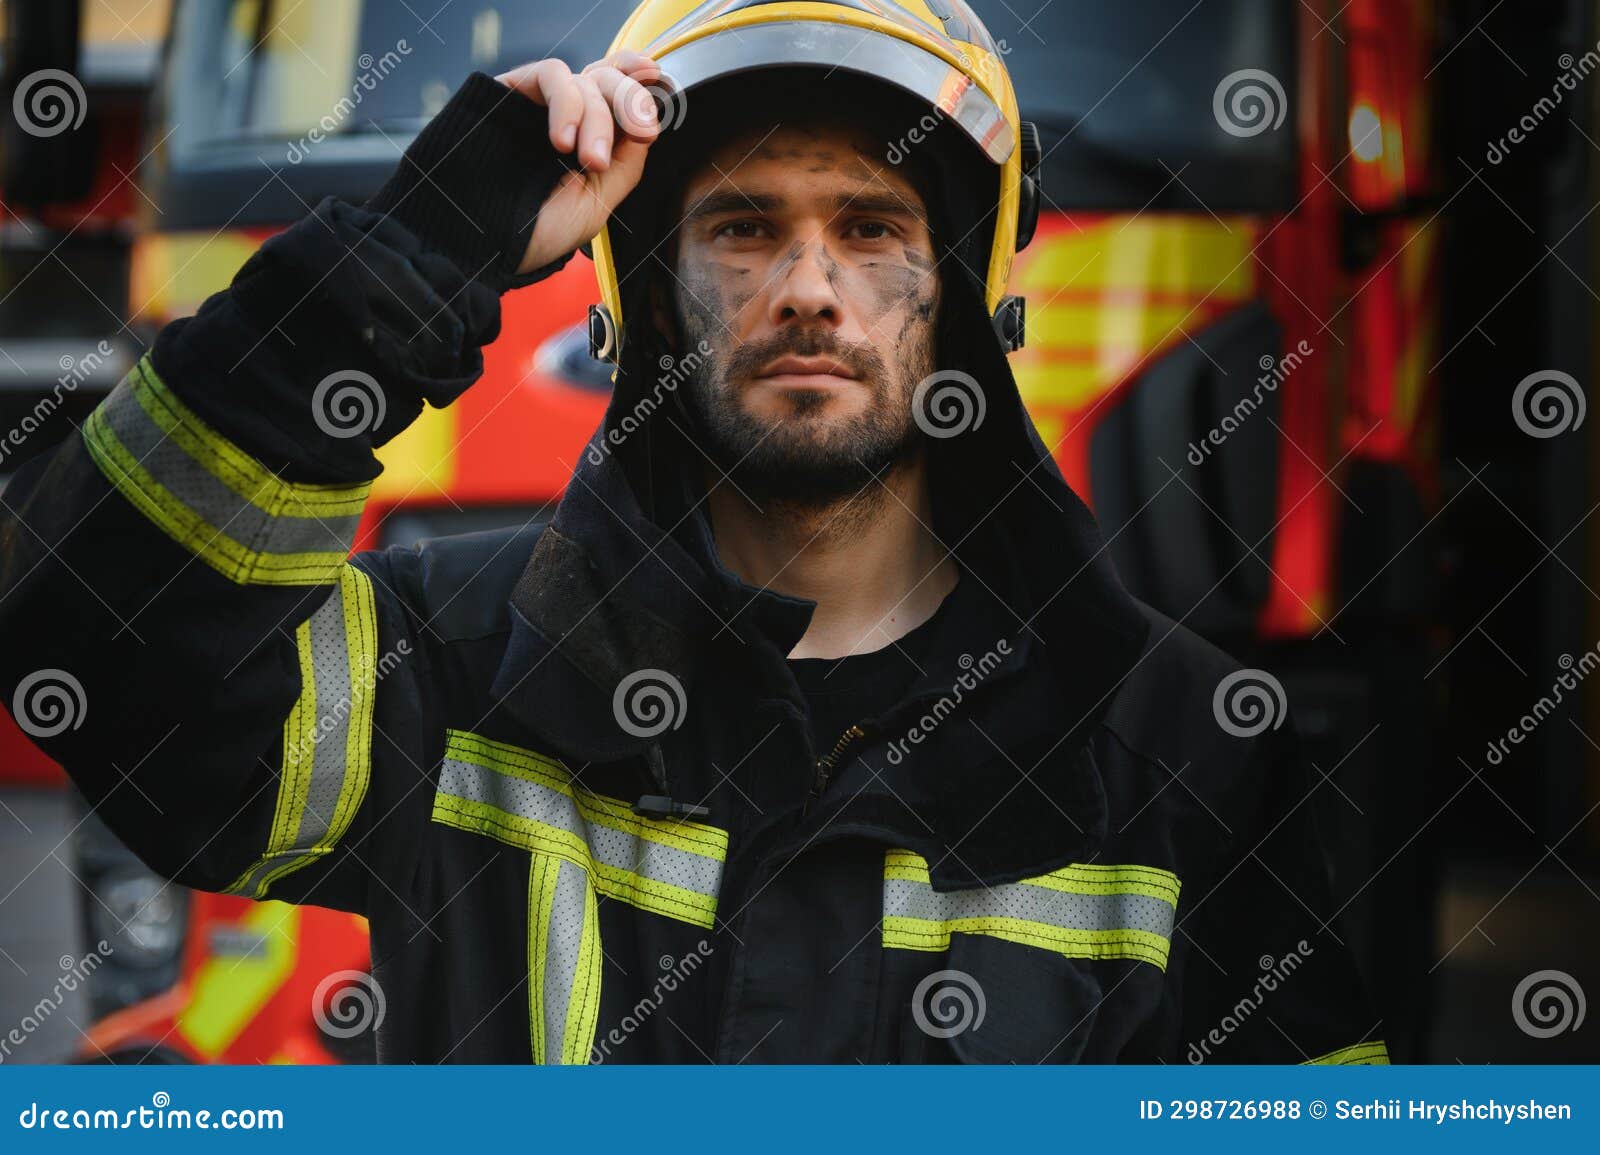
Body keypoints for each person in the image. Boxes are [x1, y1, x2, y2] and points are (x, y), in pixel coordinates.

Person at [0, 0, 1386, 1064]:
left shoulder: (1187, 752)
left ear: (964, 300)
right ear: (651, 301)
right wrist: (422, 246)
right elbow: (95, 642)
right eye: (740, 229)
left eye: (871, 229)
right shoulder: (449, 673)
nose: (808, 287)